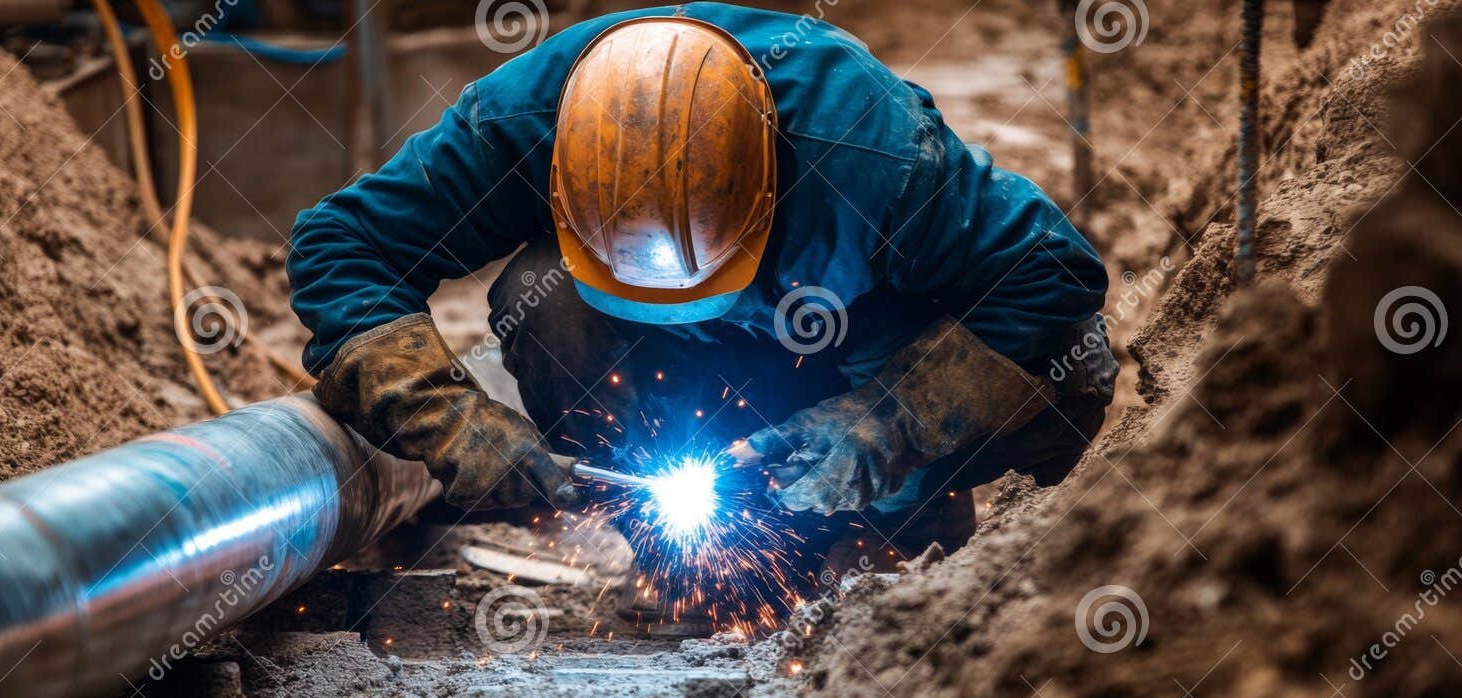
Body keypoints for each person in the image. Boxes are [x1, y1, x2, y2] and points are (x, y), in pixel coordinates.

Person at [289, 4, 1115, 629]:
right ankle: (696, 560)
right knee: (540, 299)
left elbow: (1051, 277)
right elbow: (343, 244)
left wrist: (885, 422)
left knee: (1074, 361)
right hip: (675, 379)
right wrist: (451, 421)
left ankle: (897, 509)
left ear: (766, 194)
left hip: (844, 354)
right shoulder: (520, 128)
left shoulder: (870, 154)